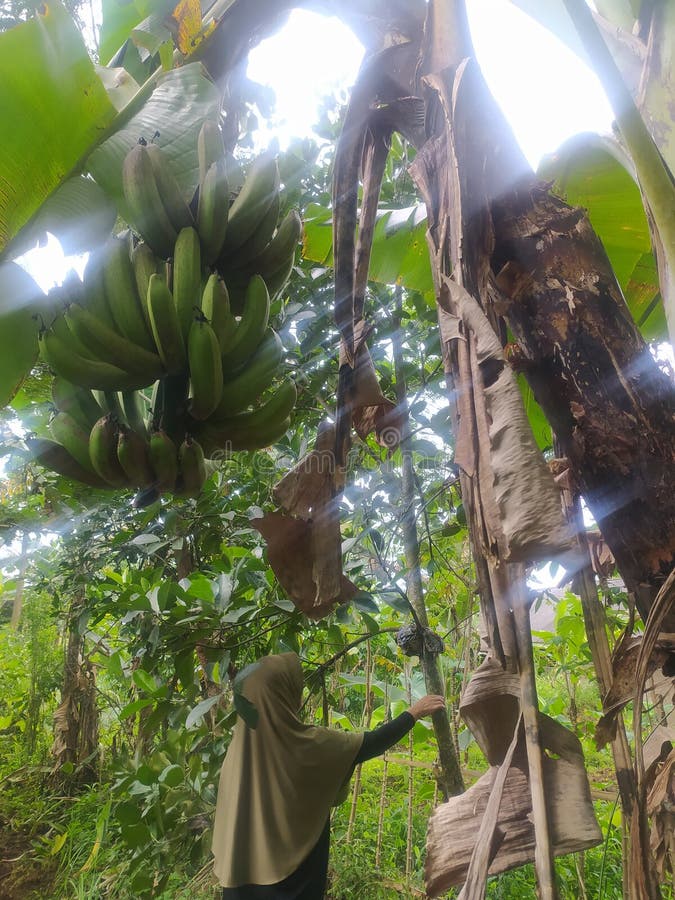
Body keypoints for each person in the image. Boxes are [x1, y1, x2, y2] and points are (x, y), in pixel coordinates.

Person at [211, 652, 445, 899]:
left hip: (240, 881)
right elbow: (366, 745)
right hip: (292, 882)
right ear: (281, 693)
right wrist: (413, 713)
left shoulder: (237, 753)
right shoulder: (303, 745)